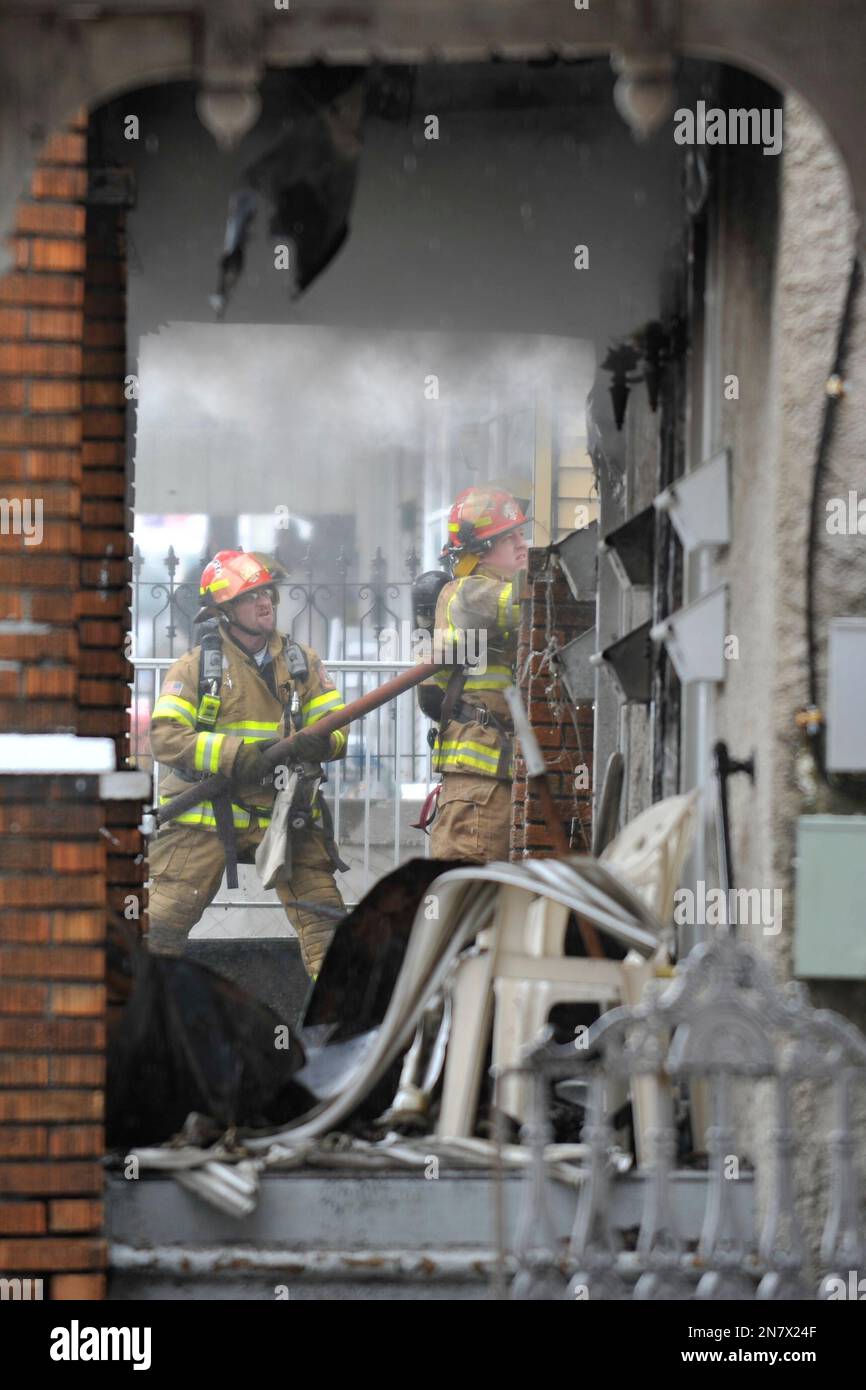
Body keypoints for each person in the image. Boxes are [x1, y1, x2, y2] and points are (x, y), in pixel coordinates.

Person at [146, 549, 347, 977]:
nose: (265, 603)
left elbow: (339, 730)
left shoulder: (302, 663)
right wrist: (234, 755)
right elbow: (165, 737)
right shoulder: (197, 667)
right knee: (157, 931)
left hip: (284, 812)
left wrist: (320, 744)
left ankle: (337, 1031)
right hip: (205, 817)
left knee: (328, 932)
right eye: (250, 596)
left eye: (267, 594)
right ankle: (139, 1024)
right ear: (225, 609)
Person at [424, 487, 529, 863]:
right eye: (507, 538)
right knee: (470, 904)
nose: (522, 545)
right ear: (480, 551)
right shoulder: (465, 594)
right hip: (476, 791)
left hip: (503, 780)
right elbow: (518, 603)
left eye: (521, 533)